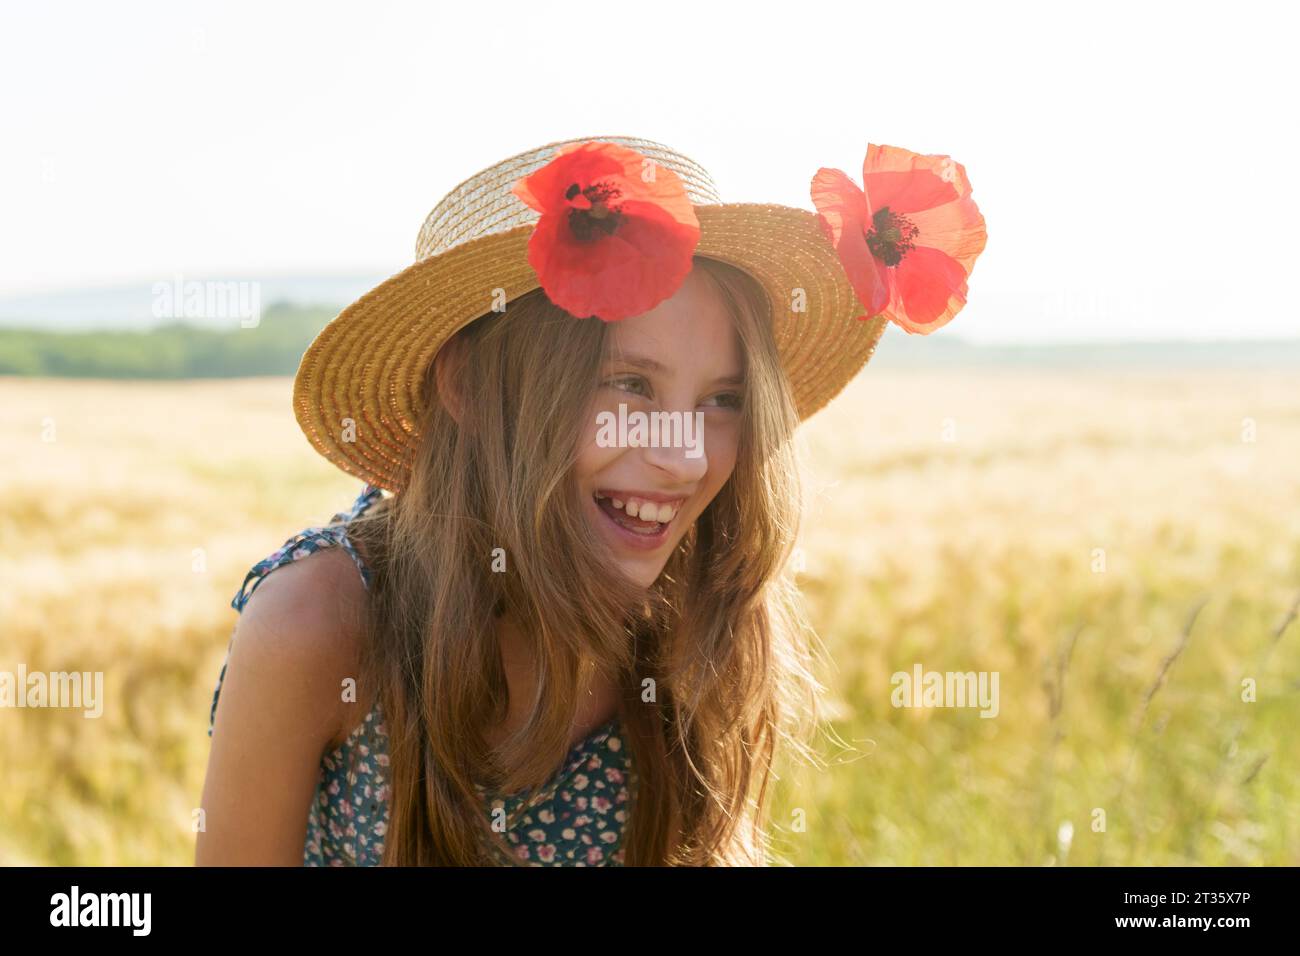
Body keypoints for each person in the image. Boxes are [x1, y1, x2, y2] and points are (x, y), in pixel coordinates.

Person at [195, 134, 986, 866]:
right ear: (469, 385)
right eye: (631, 386)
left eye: (723, 399)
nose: (682, 459)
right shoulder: (323, 621)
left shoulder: (698, 611)